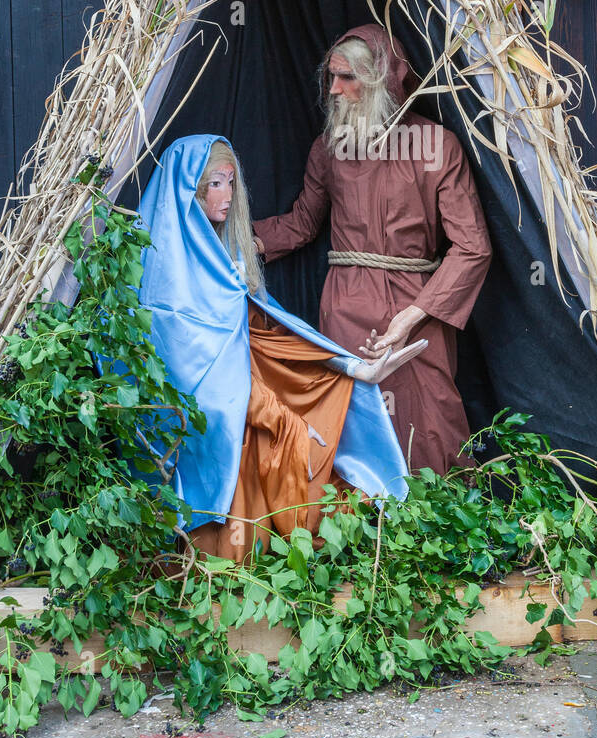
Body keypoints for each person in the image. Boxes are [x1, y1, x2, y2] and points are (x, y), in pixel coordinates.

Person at [134, 134, 412, 566]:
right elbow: (179, 364)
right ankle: (219, 571)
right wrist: (258, 405)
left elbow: (272, 333)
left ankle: (268, 564)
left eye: (230, 182)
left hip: (243, 395)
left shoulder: (225, 259)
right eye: (214, 184)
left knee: (287, 431)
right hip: (203, 414)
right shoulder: (160, 273)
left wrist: (348, 367)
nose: (227, 196)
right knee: (263, 435)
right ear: (188, 191)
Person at [253, 24, 493, 475]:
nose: (335, 90)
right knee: (355, 421)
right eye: (331, 77)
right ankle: (359, 526)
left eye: (348, 78)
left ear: (381, 80)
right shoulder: (328, 149)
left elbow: (472, 248)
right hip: (346, 304)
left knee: (431, 419)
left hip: (420, 305)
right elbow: (302, 223)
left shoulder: (437, 146)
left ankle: (437, 522)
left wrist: (414, 314)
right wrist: (242, 242)